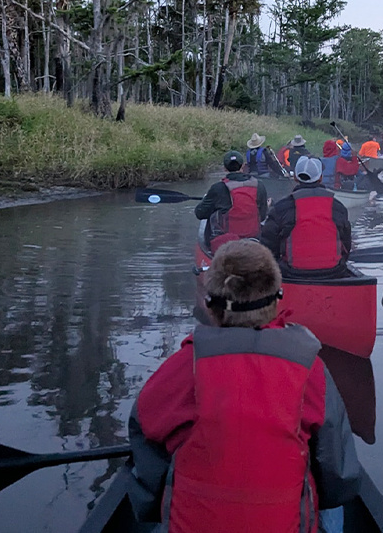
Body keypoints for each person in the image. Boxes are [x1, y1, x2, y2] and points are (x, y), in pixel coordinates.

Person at [127, 239, 362, 533]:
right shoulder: (311, 370)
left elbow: (145, 448)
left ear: (210, 306)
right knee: (333, 502)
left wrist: (153, 502)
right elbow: (339, 479)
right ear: (278, 299)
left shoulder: (180, 369)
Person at [261, 156, 352, 277]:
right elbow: (346, 246)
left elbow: (268, 246)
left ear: (295, 177)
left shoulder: (281, 208)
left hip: (292, 274)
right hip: (334, 272)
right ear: (320, 178)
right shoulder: (338, 208)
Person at [194, 151, 268, 252]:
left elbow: (200, 213)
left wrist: (207, 199)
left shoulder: (218, 188)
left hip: (226, 244)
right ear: (243, 166)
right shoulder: (259, 185)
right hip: (254, 240)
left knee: (211, 216)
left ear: (225, 168)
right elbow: (262, 216)